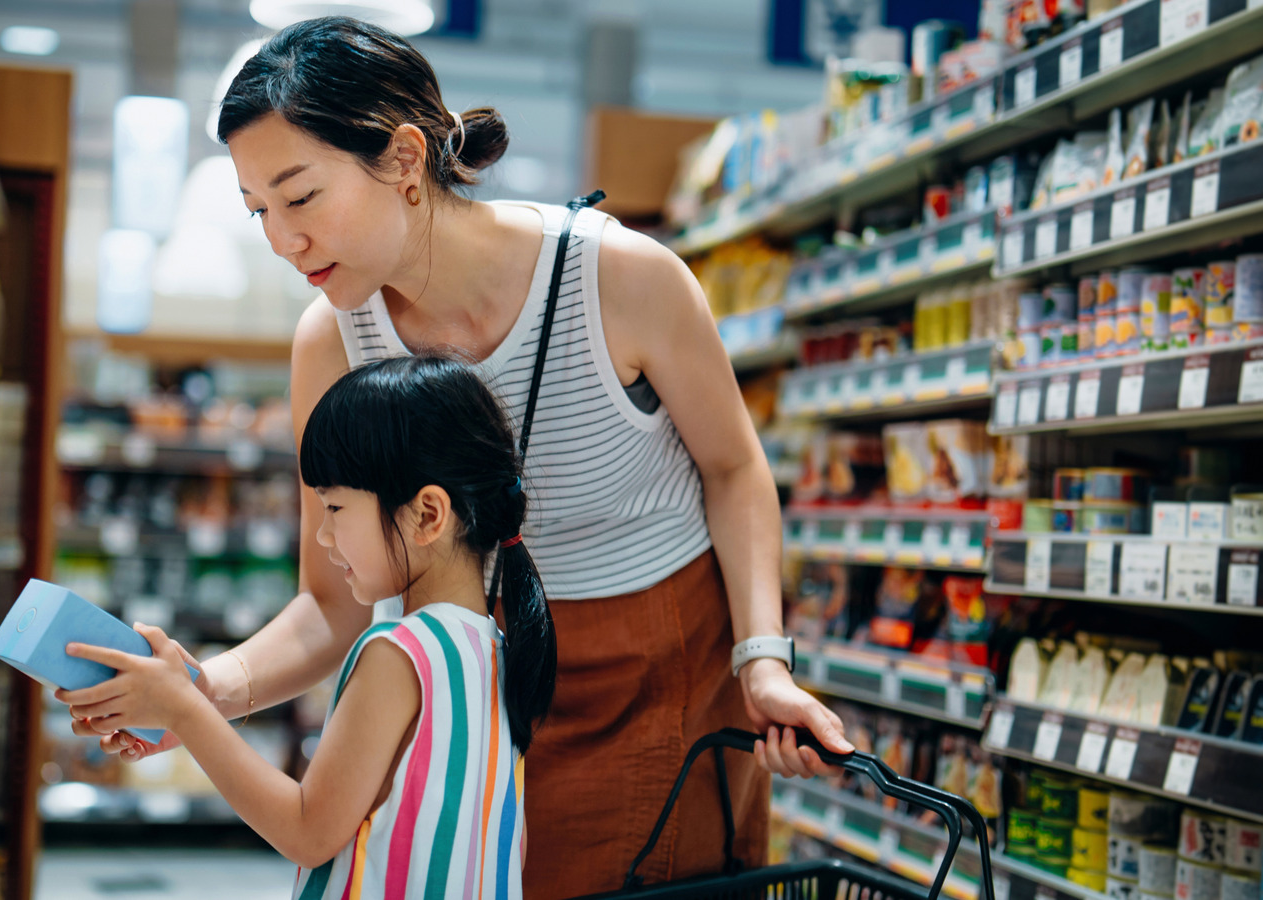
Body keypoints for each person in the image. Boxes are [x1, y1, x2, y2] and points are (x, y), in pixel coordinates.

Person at [63, 16, 854, 897]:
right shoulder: (332, 342)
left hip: (656, 667)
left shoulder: (623, 279)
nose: (281, 240)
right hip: (471, 681)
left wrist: (764, 658)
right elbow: (328, 602)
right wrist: (201, 691)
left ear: (404, 159)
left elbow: (737, 471)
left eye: (300, 197)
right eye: (257, 212)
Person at [62, 356, 550, 898]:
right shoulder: (497, 649)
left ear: (427, 514)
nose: (322, 536)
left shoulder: (399, 654)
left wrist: (186, 709)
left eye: (335, 507)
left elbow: (306, 830)